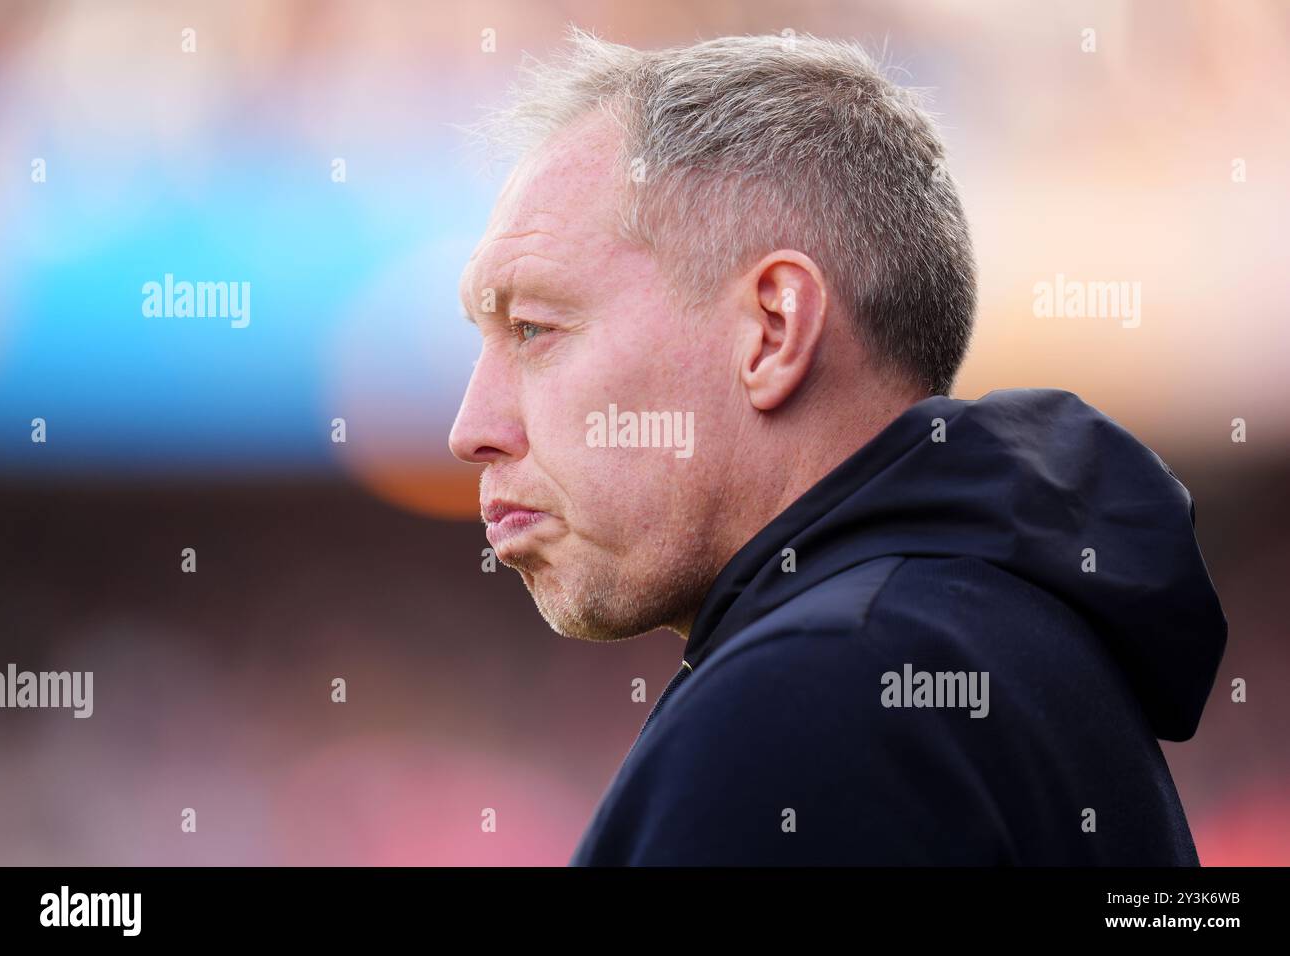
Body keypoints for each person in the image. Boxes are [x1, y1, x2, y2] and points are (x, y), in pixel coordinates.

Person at [448, 29, 1227, 865]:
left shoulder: (813, 695)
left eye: (533, 327)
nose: (470, 429)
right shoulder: (1013, 637)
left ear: (774, 330)